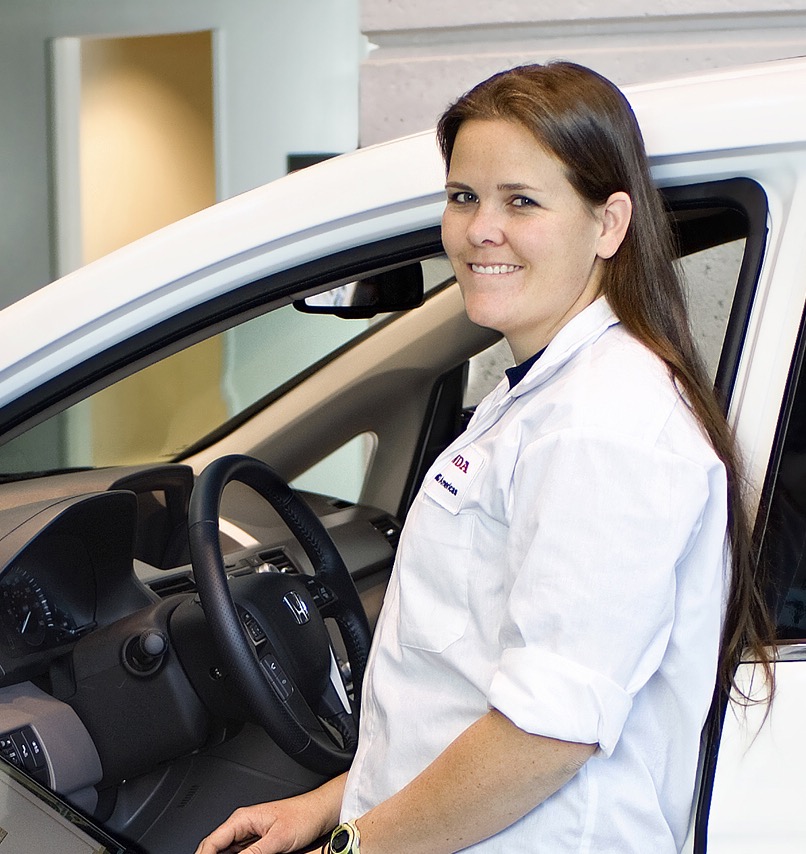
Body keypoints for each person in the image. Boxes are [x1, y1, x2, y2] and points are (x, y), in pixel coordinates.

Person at [195, 61, 774, 854]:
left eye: (522, 202)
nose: (479, 231)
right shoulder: (544, 392)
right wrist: (334, 805)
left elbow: (544, 737)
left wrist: (354, 848)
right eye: (464, 196)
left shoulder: (604, 425)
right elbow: (464, 686)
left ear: (609, 224)